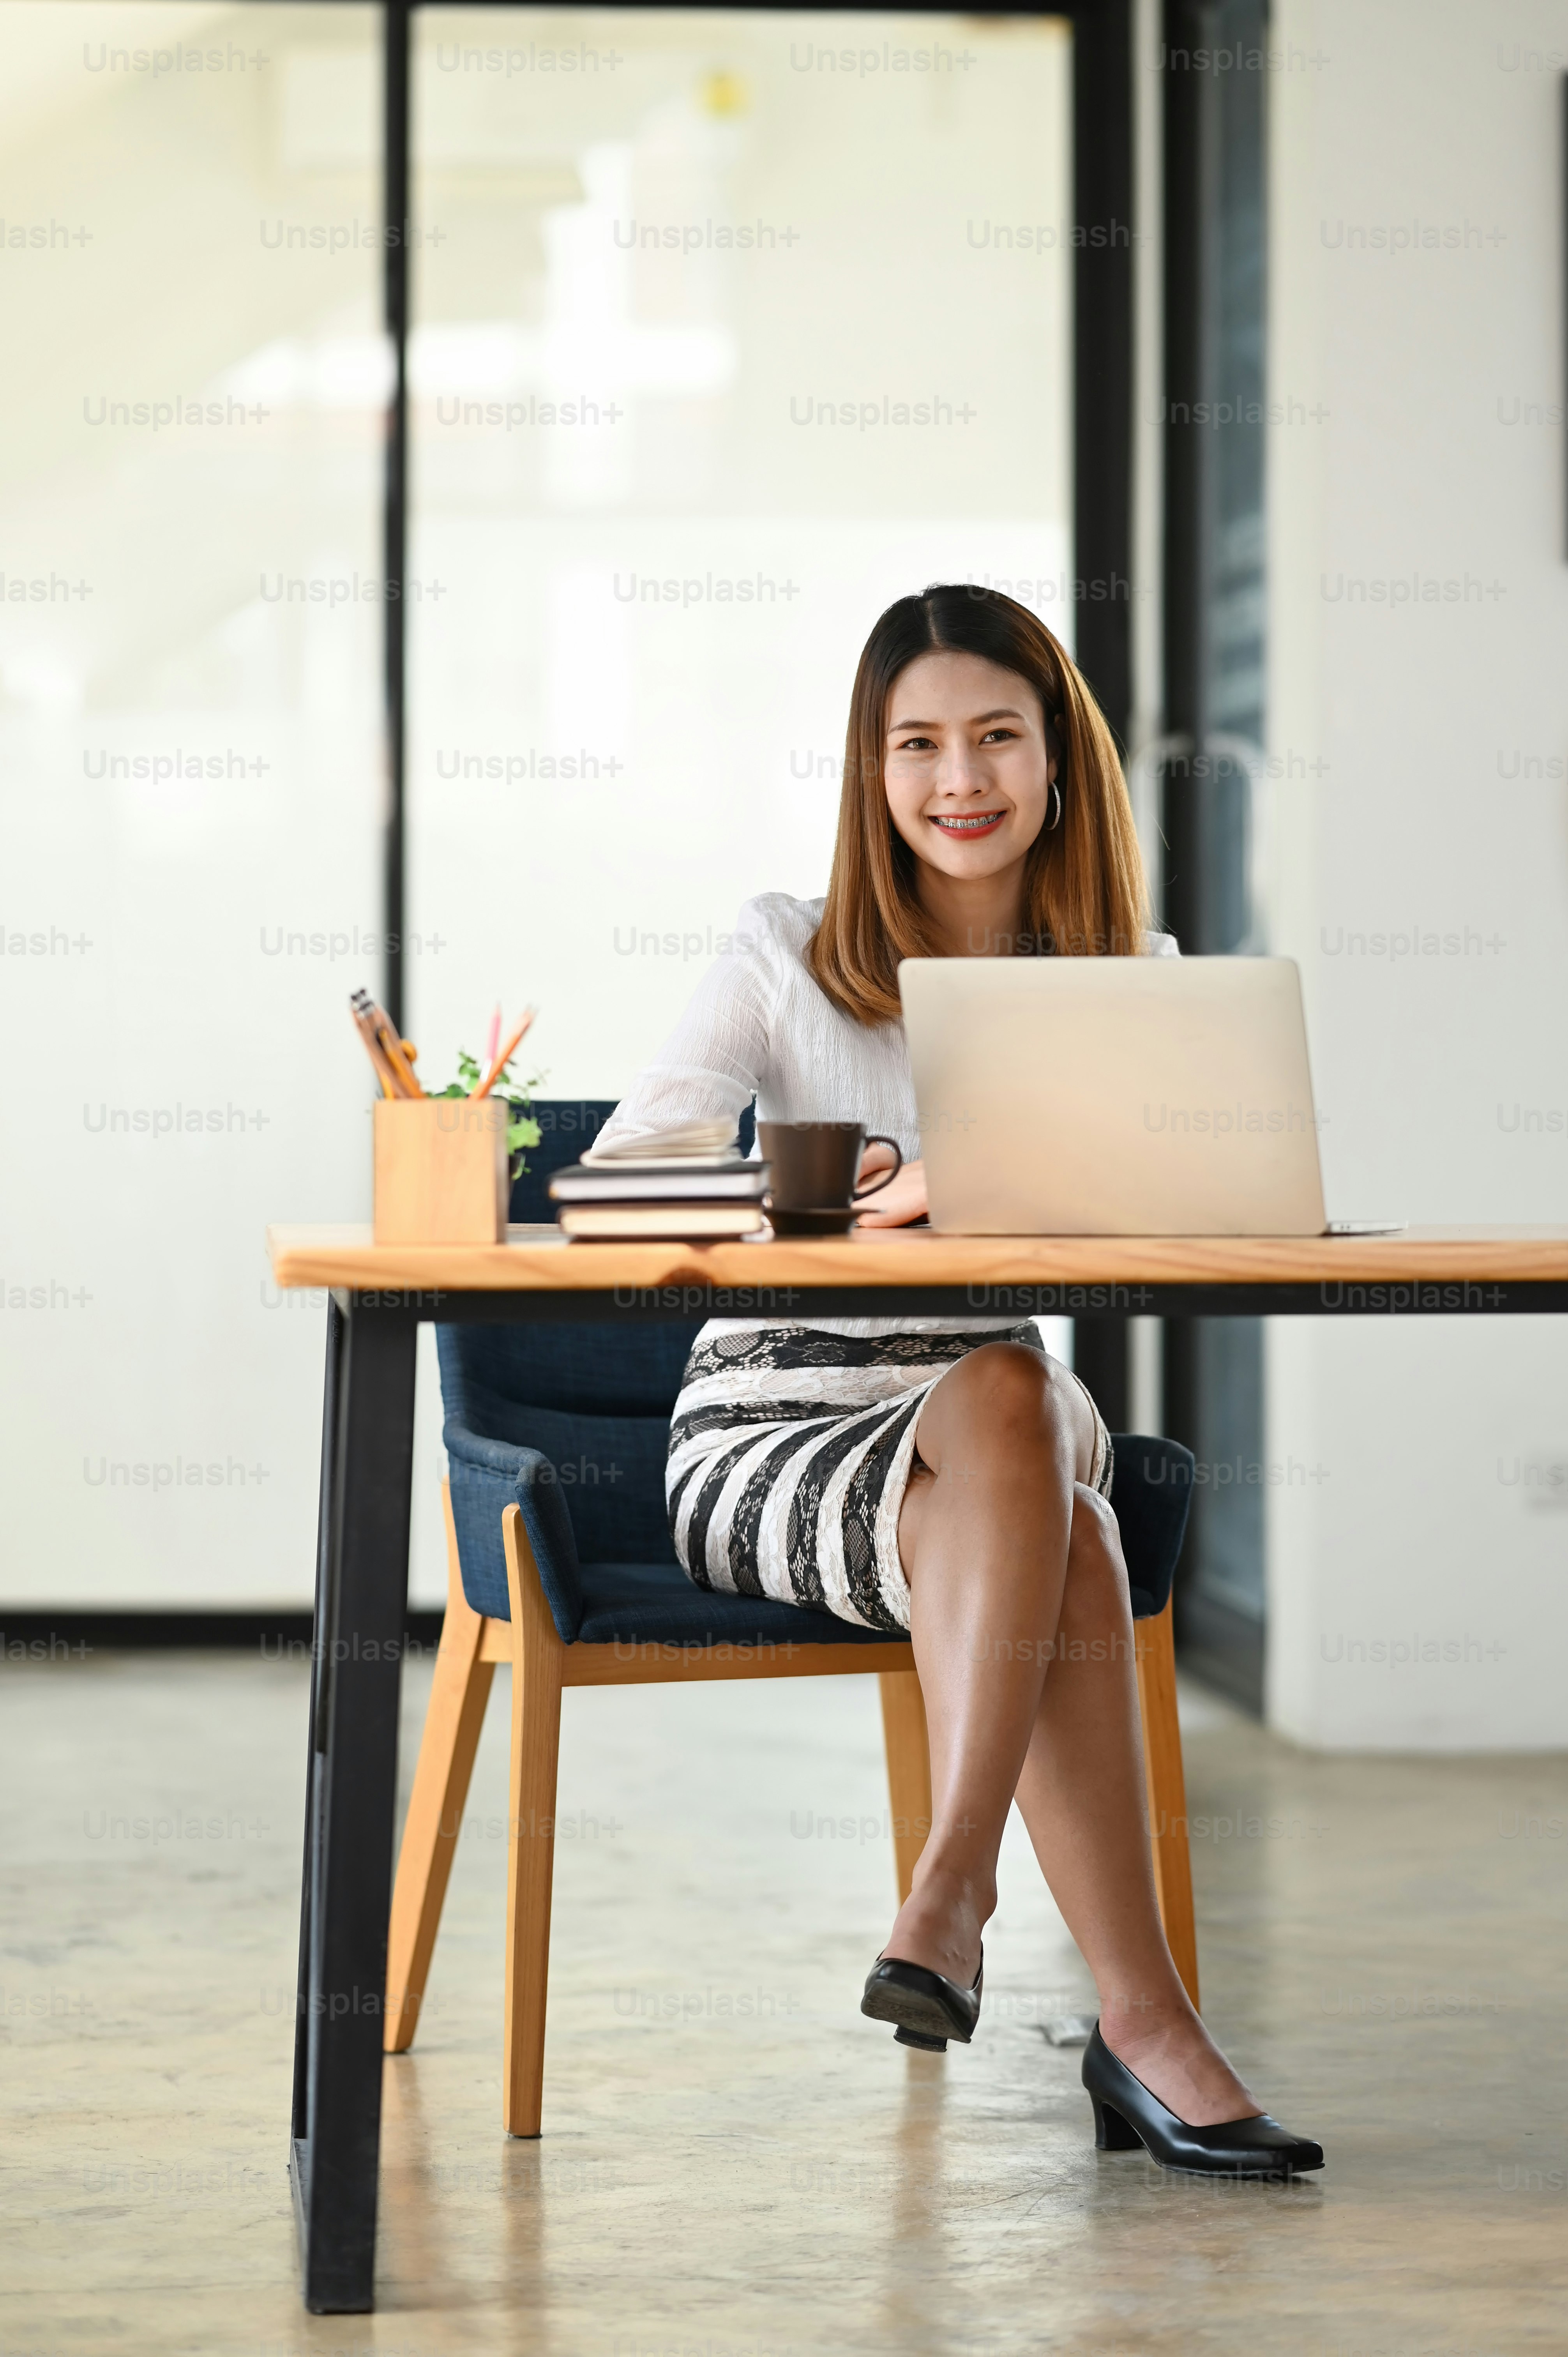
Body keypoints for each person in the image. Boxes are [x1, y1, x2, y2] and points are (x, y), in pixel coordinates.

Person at [597, 583, 1323, 2177]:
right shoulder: (785, 948)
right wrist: (836, 1181)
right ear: (872, 772)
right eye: (916, 744)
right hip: (779, 1423)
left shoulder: (1135, 973)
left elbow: (1190, 1215)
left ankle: (952, 1899)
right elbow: (623, 1174)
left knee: (1010, 1399)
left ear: (1059, 759)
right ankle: (1134, 2024)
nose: (959, 778)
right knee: (1063, 1502)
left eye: (996, 736)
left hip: (994, 1407)